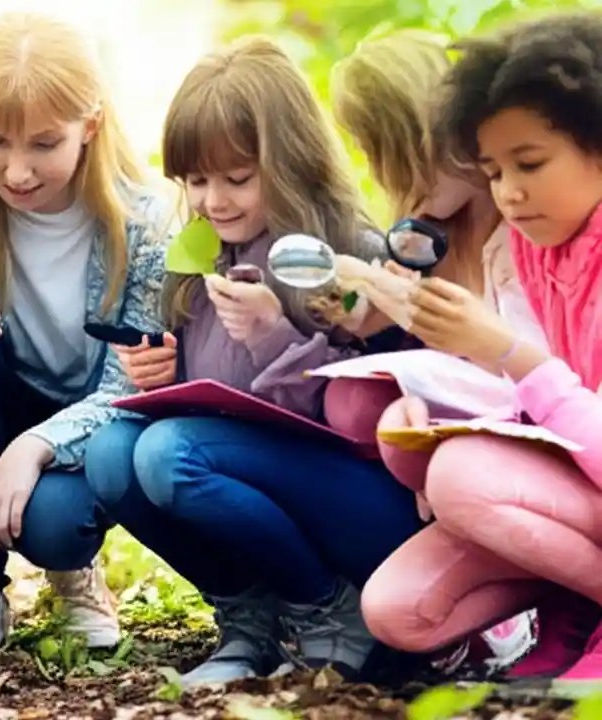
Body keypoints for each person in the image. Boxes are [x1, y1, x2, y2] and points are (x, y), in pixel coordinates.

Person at [83, 36, 420, 686]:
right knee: (111, 454)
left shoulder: (346, 252)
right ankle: (251, 619)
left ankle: (330, 608)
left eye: (237, 179)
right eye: (196, 181)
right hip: (244, 471)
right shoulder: (198, 255)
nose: (213, 201)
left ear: (290, 161)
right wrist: (166, 372)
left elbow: (359, 415)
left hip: (355, 497)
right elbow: (214, 397)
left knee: (168, 455)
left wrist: (271, 335)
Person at [0, 11, 179, 656]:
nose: (16, 171)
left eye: (44, 144)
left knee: (52, 528)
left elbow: (126, 384)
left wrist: (34, 447)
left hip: (83, 417)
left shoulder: (145, 221)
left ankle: (72, 573)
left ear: (91, 125)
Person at [359, 11, 602, 694]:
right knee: (397, 610)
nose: (509, 193)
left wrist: (506, 352)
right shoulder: (531, 245)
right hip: (577, 487)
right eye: (494, 171)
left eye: (530, 164)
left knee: (462, 476)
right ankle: (570, 605)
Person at [321, 30, 549, 674]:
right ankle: (510, 607)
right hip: (479, 451)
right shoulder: (428, 236)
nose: (382, 176)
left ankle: (559, 609)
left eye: (388, 154)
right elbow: (433, 355)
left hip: (545, 440)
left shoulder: (526, 226)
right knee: (357, 403)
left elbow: (542, 365)